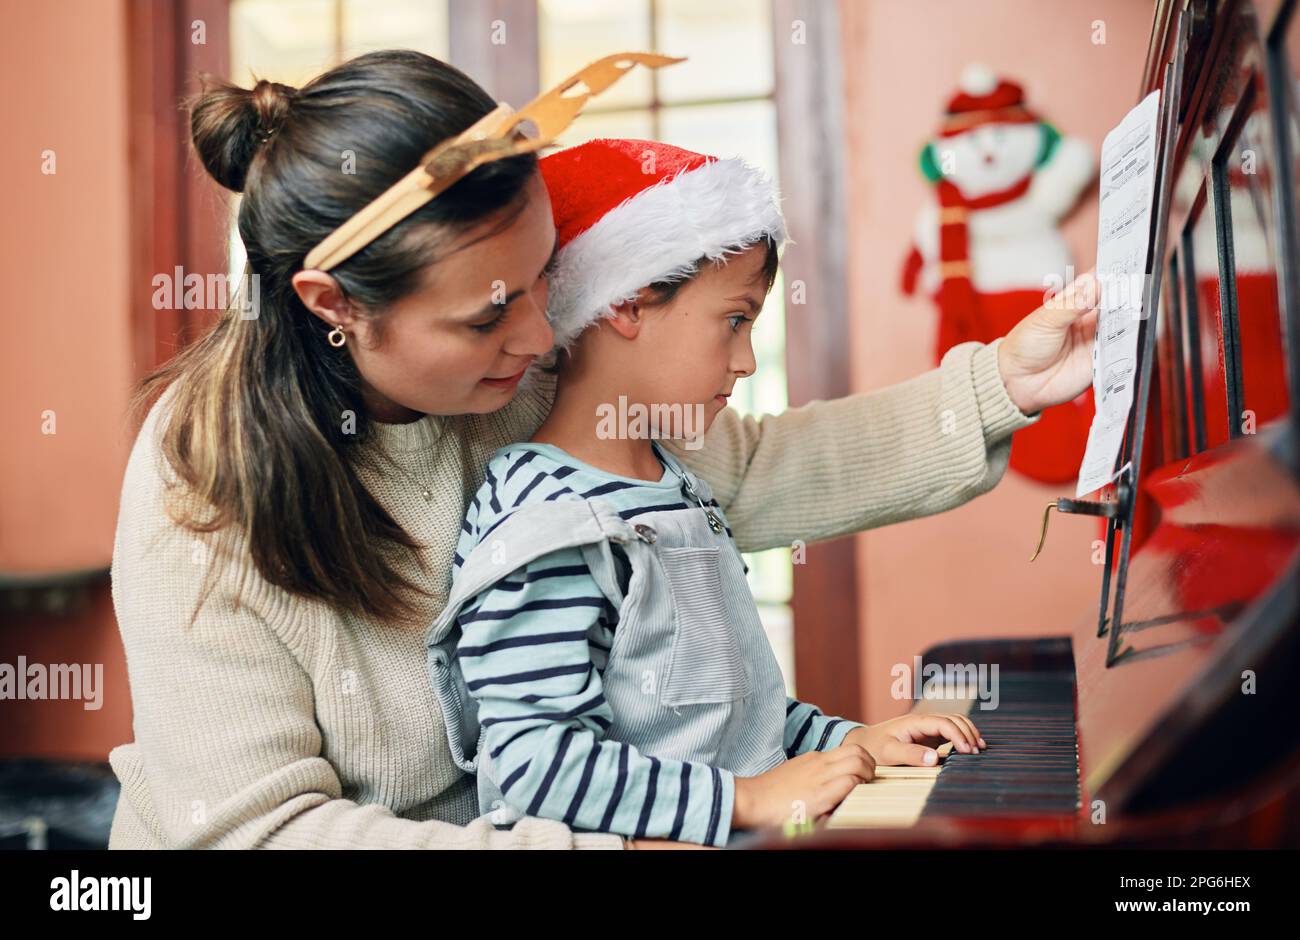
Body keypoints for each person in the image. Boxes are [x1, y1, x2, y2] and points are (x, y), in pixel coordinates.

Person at [108, 49, 1096, 850]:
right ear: (336, 307)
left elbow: (743, 470)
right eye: (490, 314)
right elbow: (263, 831)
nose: (541, 338)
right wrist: (669, 826)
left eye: (545, 277)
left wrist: (1000, 384)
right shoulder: (200, 486)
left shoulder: (508, 365)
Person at [430, 139, 987, 847]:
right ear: (627, 303)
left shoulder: (675, 485)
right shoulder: (549, 517)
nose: (748, 360)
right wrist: (749, 799)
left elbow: (726, 715)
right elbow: (537, 766)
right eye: (735, 319)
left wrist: (853, 745)